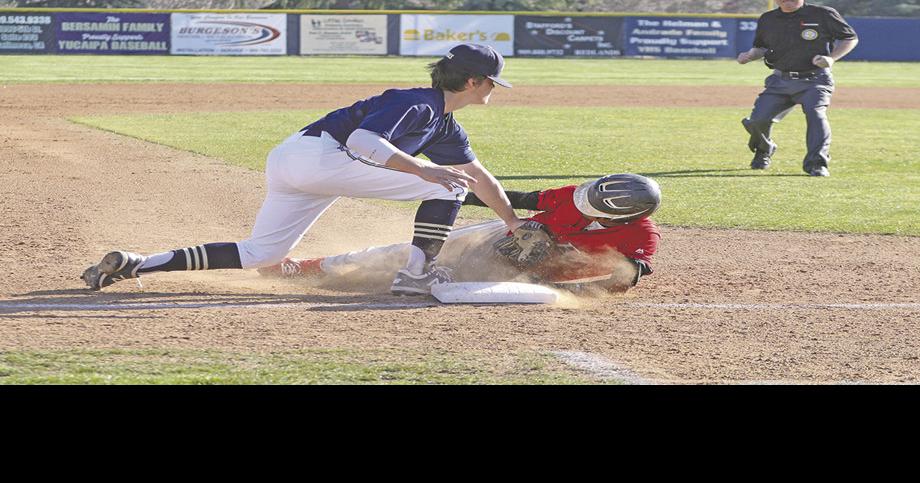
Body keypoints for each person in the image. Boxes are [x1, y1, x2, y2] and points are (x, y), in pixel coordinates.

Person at [81, 43, 526, 295]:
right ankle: (417, 273)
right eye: (492, 81)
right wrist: (424, 171)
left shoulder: (444, 124)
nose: (494, 88)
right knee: (447, 185)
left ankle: (138, 264)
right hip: (324, 157)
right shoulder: (417, 102)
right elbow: (363, 141)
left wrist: (511, 221)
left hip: (294, 160)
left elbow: (481, 177)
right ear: (473, 81)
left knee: (262, 254)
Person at [258, 174, 662, 294]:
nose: (580, 205)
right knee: (406, 253)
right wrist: (452, 193)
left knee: (444, 281)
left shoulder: (641, 235)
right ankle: (306, 266)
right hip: (503, 236)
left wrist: (561, 284)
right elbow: (520, 198)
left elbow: (627, 275)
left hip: (538, 276)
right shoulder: (575, 197)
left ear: (624, 216)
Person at [736, 0, 858, 177]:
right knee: (757, 121)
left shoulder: (823, 14)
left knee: (816, 115)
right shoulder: (768, 18)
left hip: (815, 80)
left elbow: (850, 38)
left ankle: (817, 164)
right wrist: (749, 55)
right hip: (779, 80)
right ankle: (764, 149)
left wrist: (831, 58)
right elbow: (761, 47)